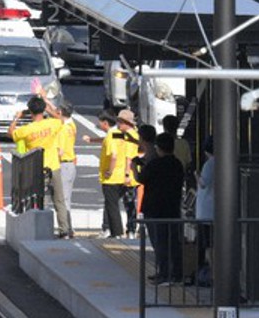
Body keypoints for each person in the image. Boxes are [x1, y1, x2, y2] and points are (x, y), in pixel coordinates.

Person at [9, 94, 71, 238]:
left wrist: (17, 117)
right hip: (53, 166)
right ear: (42, 110)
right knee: (59, 200)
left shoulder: (28, 129)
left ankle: (38, 229)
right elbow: (61, 120)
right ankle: (64, 230)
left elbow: (12, 133)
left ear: (30, 111)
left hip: (36, 168)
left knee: (37, 198)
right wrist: (48, 109)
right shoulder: (52, 124)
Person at [137, 133, 186, 285]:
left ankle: (163, 273)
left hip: (155, 208)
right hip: (172, 207)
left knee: (159, 242)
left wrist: (134, 167)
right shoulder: (177, 164)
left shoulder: (155, 164)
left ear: (158, 148)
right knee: (173, 242)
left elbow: (141, 179)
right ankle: (176, 273)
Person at [89, 112, 128, 238]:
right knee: (112, 203)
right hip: (120, 173)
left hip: (111, 177)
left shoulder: (111, 135)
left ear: (105, 123)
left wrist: (109, 171)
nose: (99, 125)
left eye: (100, 123)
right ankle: (112, 230)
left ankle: (117, 232)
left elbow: (114, 156)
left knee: (112, 206)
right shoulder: (118, 133)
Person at [194, 136, 215, 286]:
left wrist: (196, 176)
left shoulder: (210, 164)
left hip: (206, 211)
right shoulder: (226, 162)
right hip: (214, 210)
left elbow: (203, 183)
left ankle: (213, 273)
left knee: (208, 245)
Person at [57, 104, 77, 237]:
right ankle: (68, 228)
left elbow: (60, 151)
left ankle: (66, 230)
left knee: (62, 199)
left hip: (63, 165)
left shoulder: (63, 129)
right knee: (66, 198)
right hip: (71, 165)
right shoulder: (72, 125)